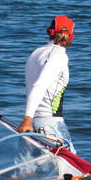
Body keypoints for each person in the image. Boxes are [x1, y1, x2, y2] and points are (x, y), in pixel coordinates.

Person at [18, 15, 74, 148]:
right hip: (50, 125)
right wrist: (27, 119)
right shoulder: (59, 56)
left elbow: (30, 85)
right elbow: (39, 85)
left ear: (50, 31)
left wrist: (29, 119)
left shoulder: (36, 53)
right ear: (71, 36)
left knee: (31, 168)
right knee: (72, 166)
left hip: (34, 125)